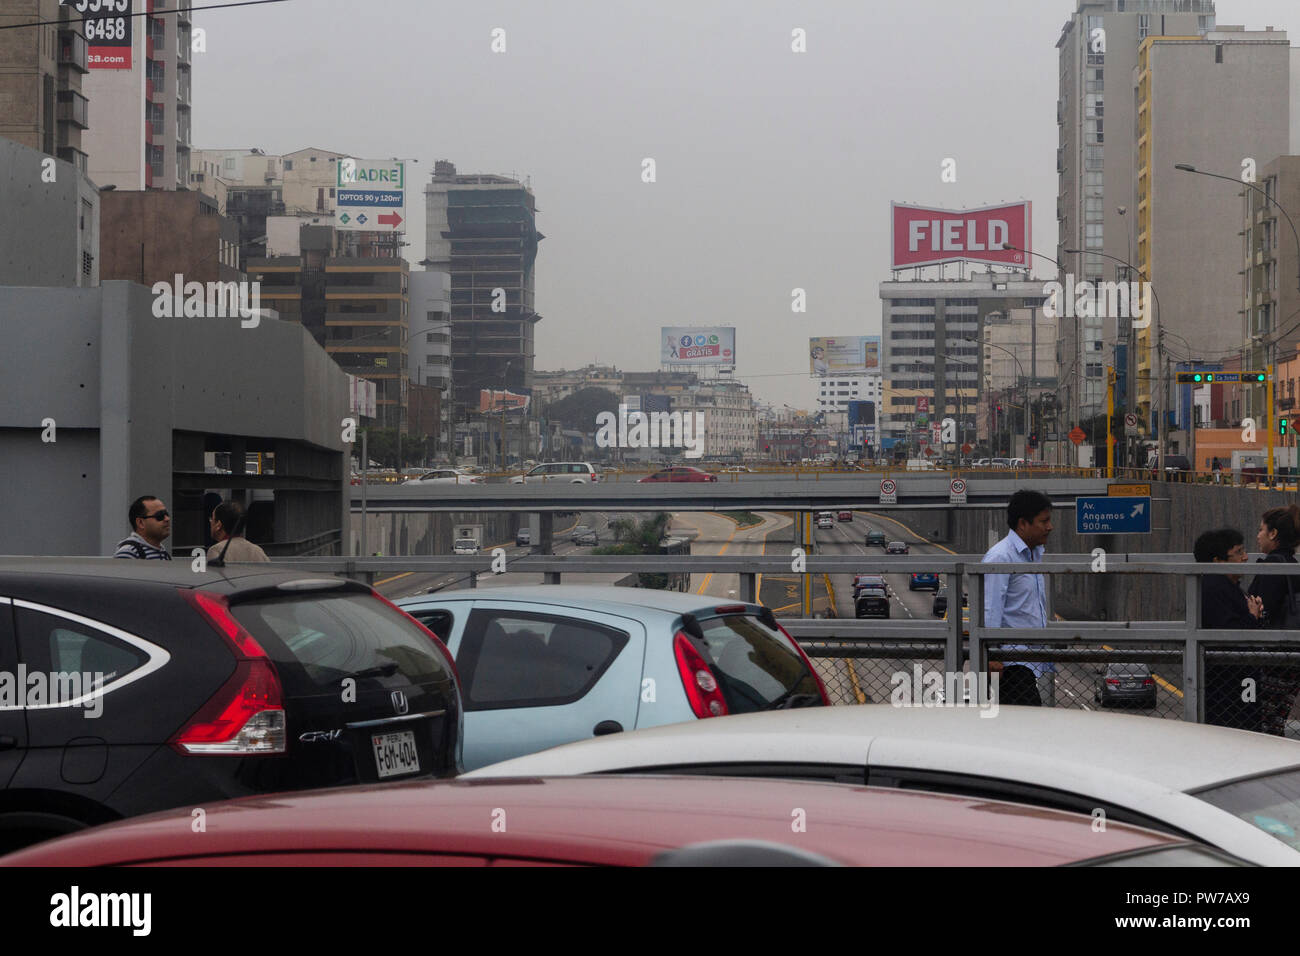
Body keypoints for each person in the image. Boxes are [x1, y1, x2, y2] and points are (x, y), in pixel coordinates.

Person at [981, 489, 1056, 706]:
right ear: (1023, 524)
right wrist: (993, 655)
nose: (1050, 527)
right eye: (1044, 521)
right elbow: (991, 608)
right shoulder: (1002, 556)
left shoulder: (1033, 554)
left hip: (1027, 661)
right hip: (1010, 665)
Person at [1194, 528, 1263, 731]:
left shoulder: (1224, 586)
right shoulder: (1214, 588)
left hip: (1232, 683)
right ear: (1218, 561)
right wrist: (1252, 617)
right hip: (1227, 686)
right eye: (1239, 552)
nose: (1246, 557)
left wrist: (1254, 614)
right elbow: (1228, 634)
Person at [1247, 505, 1300, 737]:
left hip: (1272, 657)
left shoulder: (1272, 566)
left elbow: (1262, 609)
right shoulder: (1292, 565)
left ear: (1273, 534)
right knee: (1276, 718)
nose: (1258, 535)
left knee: (1264, 722)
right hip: (1291, 655)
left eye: (1261, 530)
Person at [207, 500, 269, 564]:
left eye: (212, 518)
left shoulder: (216, 550)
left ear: (218, 525)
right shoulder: (258, 551)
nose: (211, 522)